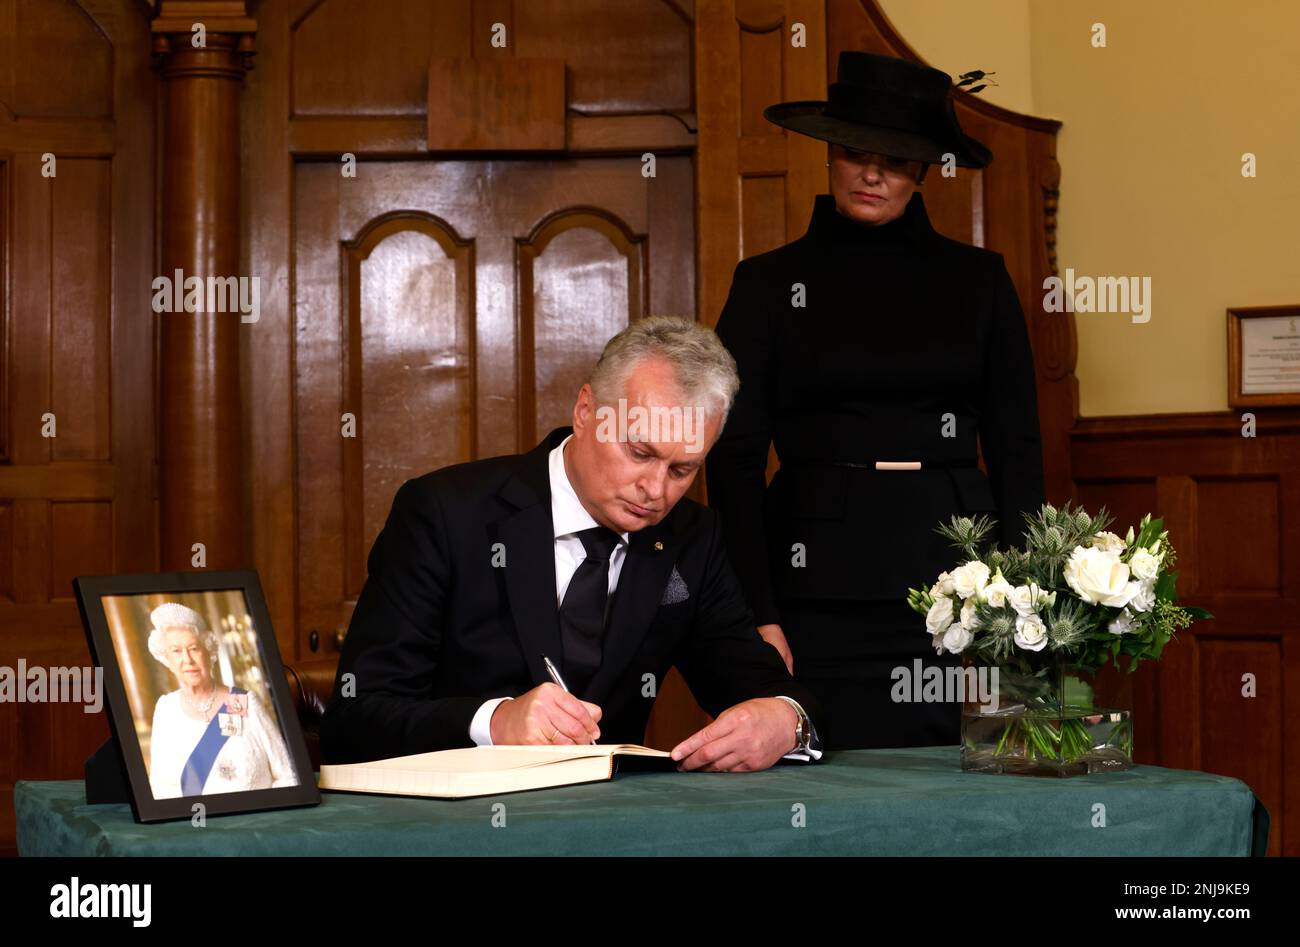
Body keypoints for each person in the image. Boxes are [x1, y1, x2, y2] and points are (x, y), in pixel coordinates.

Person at [706, 51, 1045, 750]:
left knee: (951, 786)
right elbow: (734, 461)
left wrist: (1022, 605)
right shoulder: (768, 284)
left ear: (923, 168)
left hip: (958, 584)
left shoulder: (980, 280)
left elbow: (1017, 449)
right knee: (817, 775)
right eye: (857, 153)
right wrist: (756, 611)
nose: (872, 173)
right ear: (830, 155)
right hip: (814, 589)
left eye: (895, 159)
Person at [321, 317, 822, 772]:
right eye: (639, 452)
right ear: (586, 411)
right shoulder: (445, 512)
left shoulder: (692, 538)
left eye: (682, 469)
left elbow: (764, 686)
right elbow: (355, 719)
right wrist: (494, 723)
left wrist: (785, 719)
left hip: (605, 831)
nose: (656, 489)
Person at [146, 602, 297, 798]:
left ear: (209, 651)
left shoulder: (245, 702)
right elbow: (161, 787)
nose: (187, 659)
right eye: (176, 651)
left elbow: (288, 775)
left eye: (194, 648)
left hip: (257, 822)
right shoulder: (166, 709)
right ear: (166, 659)